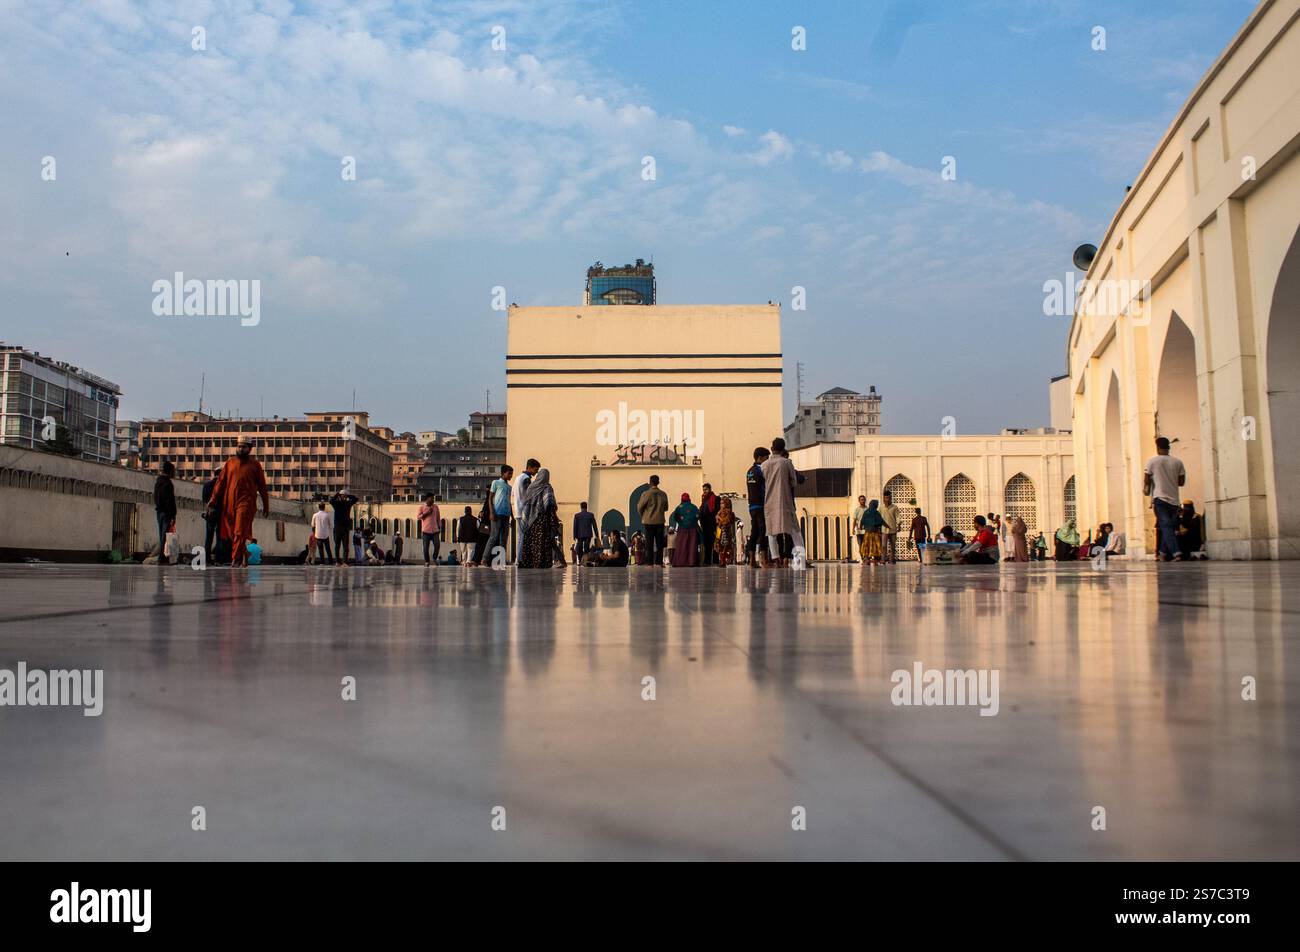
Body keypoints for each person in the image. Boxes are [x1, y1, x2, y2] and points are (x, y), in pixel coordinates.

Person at [208, 439, 270, 567]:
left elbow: (262, 486)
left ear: (249, 449)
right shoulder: (230, 463)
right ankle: (245, 553)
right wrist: (213, 500)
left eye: (244, 447)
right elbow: (220, 482)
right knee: (231, 533)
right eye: (239, 446)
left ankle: (235, 559)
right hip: (229, 503)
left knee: (239, 531)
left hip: (246, 502)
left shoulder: (255, 465)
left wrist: (266, 505)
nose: (241, 449)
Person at [1144, 436, 1186, 562]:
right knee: (1168, 526)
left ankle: (1175, 552)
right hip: (1174, 500)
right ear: (1169, 447)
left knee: (1166, 526)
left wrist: (1147, 487)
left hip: (1159, 498)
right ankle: (1162, 553)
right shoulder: (1178, 462)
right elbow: (1181, 482)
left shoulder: (1152, 462)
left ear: (1157, 447)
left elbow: (1146, 479)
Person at [760, 439, 798, 566]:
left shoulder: (764, 465)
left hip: (769, 501)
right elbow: (794, 482)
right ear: (783, 449)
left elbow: (762, 483)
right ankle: (792, 558)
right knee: (791, 530)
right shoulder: (787, 463)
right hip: (785, 501)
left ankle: (776, 558)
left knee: (771, 532)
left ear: (771, 448)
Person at [517, 467, 557, 568]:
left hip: (530, 520)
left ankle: (529, 562)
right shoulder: (547, 488)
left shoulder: (531, 487)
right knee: (542, 542)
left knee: (531, 542)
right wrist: (553, 521)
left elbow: (526, 505)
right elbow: (550, 505)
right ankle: (540, 562)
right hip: (542, 520)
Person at [745, 447, 771, 567]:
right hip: (761, 505)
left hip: (752, 505)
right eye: (767, 458)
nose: (768, 460)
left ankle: (751, 560)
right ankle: (763, 560)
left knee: (754, 531)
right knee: (762, 531)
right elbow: (765, 488)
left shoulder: (749, 471)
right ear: (760, 458)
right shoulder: (761, 470)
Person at [636, 475, 669, 566]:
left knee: (649, 543)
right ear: (658, 482)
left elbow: (639, 507)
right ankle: (659, 562)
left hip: (649, 521)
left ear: (650, 482)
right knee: (659, 543)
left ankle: (650, 563)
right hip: (660, 521)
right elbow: (666, 508)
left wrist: (644, 515)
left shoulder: (646, 494)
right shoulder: (663, 494)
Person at [512, 459, 540, 564]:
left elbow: (514, 494)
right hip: (525, 511)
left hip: (518, 510)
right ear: (529, 467)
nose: (536, 472)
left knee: (520, 536)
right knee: (523, 537)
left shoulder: (517, 478)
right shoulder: (527, 479)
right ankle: (519, 559)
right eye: (535, 469)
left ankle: (518, 559)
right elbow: (529, 496)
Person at [486, 464, 514, 565]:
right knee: (493, 537)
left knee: (504, 539)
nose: (511, 476)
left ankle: (501, 560)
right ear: (503, 473)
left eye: (511, 474)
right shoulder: (496, 483)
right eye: (509, 474)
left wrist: (512, 516)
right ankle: (484, 559)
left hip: (506, 515)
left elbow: (509, 502)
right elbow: (490, 498)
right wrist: (491, 512)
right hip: (497, 514)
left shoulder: (509, 487)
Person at [153, 461, 177, 564]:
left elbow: (156, 497)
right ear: (170, 471)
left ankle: (163, 558)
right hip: (167, 513)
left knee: (162, 535)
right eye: (173, 471)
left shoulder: (158, 482)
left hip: (159, 512)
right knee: (165, 536)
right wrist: (172, 514)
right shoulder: (168, 483)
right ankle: (162, 558)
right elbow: (169, 500)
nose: (174, 473)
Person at [669, 492, 700, 567]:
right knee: (691, 545)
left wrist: (681, 522)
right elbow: (698, 516)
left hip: (682, 529)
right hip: (693, 529)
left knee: (682, 545)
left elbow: (675, 517)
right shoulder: (694, 507)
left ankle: (681, 562)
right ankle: (691, 562)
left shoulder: (679, 507)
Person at [329, 490, 359, 565]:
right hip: (344, 528)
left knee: (338, 546)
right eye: (344, 496)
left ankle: (339, 562)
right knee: (344, 546)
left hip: (339, 528)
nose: (344, 497)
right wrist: (348, 495)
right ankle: (343, 562)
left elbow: (331, 500)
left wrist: (338, 494)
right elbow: (355, 499)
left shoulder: (337, 503)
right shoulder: (347, 503)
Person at [698, 483, 720, 566]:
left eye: (706, 489)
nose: (704, 491)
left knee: (715, 542)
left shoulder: (715, 498)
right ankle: (707, 561)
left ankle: (715, 560)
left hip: (713, 524)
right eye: (703, 490)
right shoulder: (704, 500)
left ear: (710, 489)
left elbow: (717, 511)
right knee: (707, 544)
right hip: (705, 525)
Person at [201, 469, 220, 563]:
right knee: (220, 536)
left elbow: (204, 499)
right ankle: (218, 558)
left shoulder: (207, 485)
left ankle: (207, 558)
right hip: (220, 513)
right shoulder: (222, 485)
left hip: (210, 513)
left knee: (209, 537)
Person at [417, 494, 441, 565]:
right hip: (426, 531)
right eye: (432, 498)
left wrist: (439, 527)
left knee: (437, 545)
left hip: (435, 530)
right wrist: (427, 513)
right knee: (425, 547)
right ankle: (427, 561)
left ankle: (434, 557)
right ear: (427, 499)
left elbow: (438, 518)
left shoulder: (436, 507)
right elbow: (418, 517)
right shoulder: (421, 507)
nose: (433, 500)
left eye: (433, 498)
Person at [859, 499, 885, 563]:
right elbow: (881, 521)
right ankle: (875, 559)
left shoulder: (866, 512)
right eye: (877, 504)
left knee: (867, 545)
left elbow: (862, 521)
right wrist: (888, 526)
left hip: (867, 532)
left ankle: (867, 559)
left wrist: (860, 527)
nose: (877, 505)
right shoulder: (876, 512)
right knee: (876, 545)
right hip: (875, 532)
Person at [715, 496, 738, 566]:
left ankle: (724, 560)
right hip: (719, 530)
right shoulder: (719, 512)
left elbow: (726, 521)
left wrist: (719, 518)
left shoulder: (728, 512)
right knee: (719, 545)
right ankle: (722, 561)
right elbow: (717, 522)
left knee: (725, 546)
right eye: (720, 503)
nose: (721, 505)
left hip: (725, 531)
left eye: (723, 503)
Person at [879, 490, 900, 564]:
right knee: (884, 545)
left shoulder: (894, 507)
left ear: (891, 498)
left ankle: (892, 558)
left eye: (889, 498)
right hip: (884, 529)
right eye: (886, 498)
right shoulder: (881, 507)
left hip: (893, 529)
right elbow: (879, 518)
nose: (887, 499)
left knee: (893, 545)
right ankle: (883, 559)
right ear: (883, 498)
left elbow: (897, 517)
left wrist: (899, 524)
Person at [851, 495, 868, 563]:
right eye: (861, 500)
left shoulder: (867, 509)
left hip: (866, 530)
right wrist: (853, 529)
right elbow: (854, 520)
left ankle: (866, 558)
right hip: (859, 531)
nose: (862, 501)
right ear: (859, 501)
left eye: (863, 499)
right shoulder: (857, 509)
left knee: (866, 545)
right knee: (860, 545)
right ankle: (863, 558)